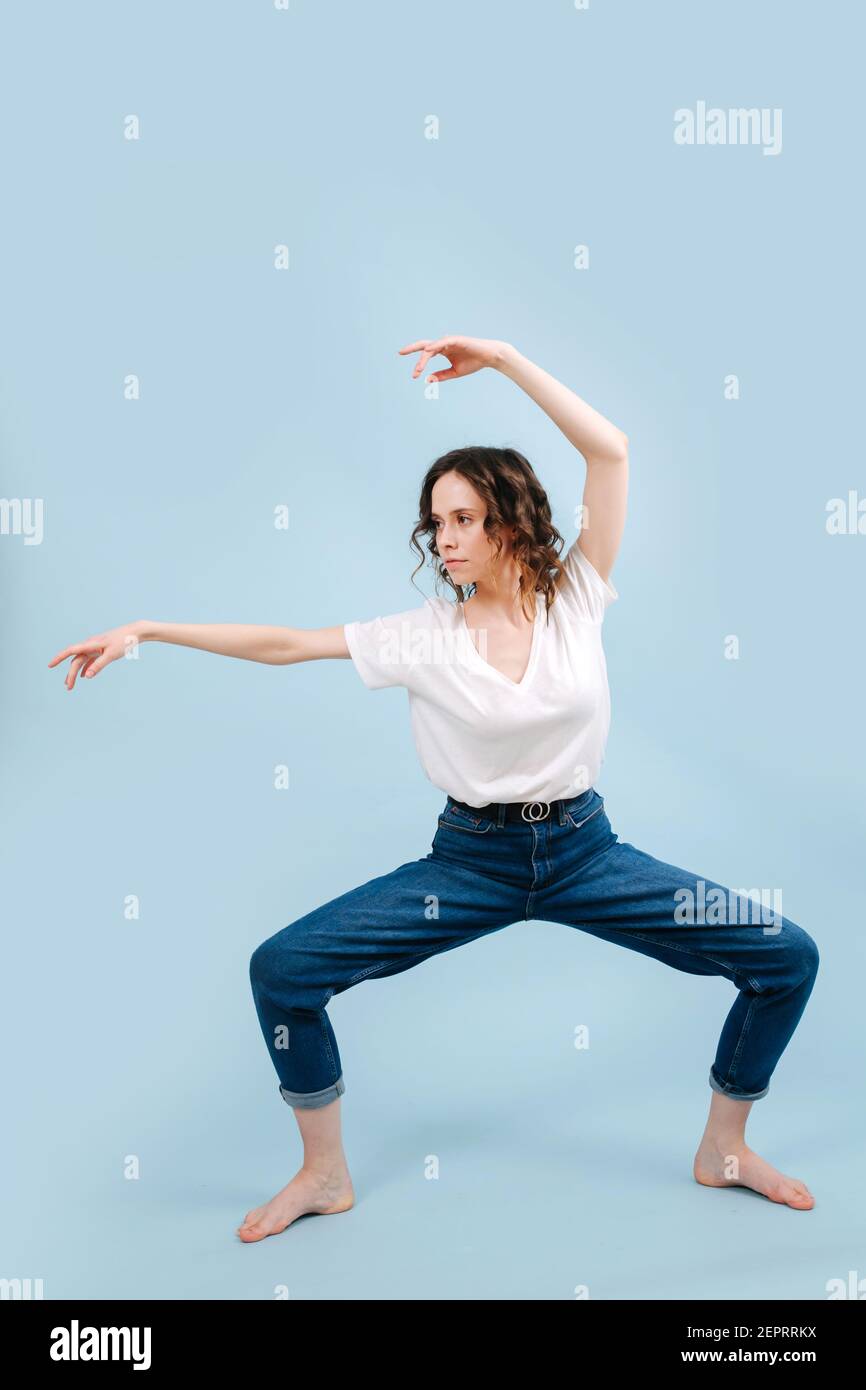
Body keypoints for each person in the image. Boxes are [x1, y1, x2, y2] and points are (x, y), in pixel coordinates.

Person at [48, 335, 818, 1243]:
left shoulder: (578, 597)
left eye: (462, 519)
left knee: (784, 956)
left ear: (510, 519)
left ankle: (723, 1150)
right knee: (283, 971)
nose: (443, 539)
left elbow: (609, 450)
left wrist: (501, 359)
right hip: (471, 864)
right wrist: (151, 628)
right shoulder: (419, 638)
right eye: (436, 523)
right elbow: (288, 644)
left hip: (587, 854)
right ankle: (323, 1173)